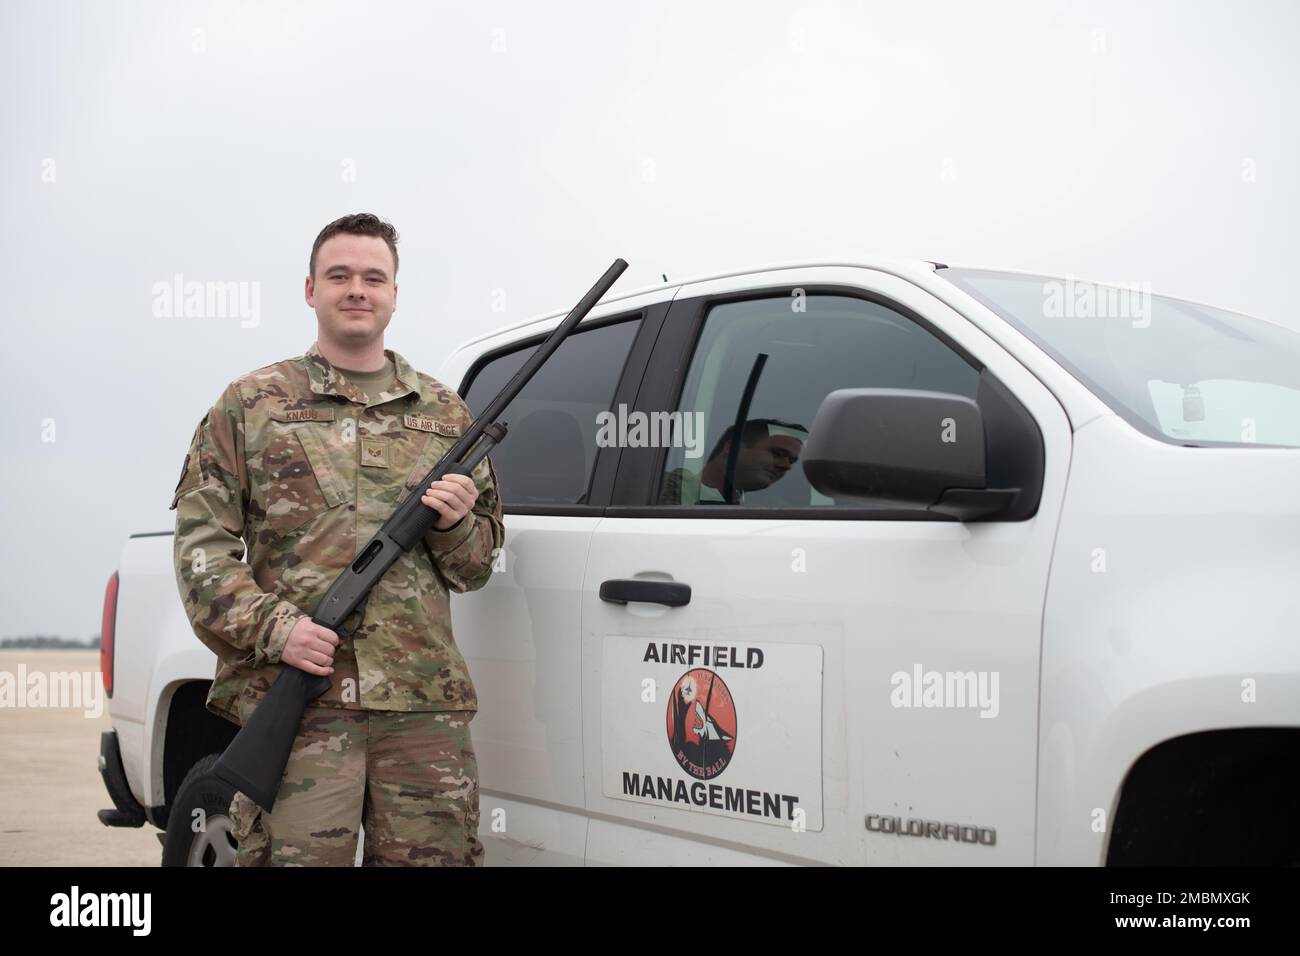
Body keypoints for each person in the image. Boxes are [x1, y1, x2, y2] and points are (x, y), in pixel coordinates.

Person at [169, 213, 504, 866]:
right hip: (303, 712)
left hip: (422, 713)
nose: (358, 289)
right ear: (310, 289)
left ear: (394, 293)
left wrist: (457, 523)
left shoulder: (447, 415)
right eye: (340, 275)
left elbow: (476, 568)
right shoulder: (251, 404)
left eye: (373, 277)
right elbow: (200, 551)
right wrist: (278, 629)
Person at [658, 418, 807, 504]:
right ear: (732, 447)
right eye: (777, 453)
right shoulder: (661, 491)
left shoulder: (768, 511)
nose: (786, 466)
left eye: (792, 461)